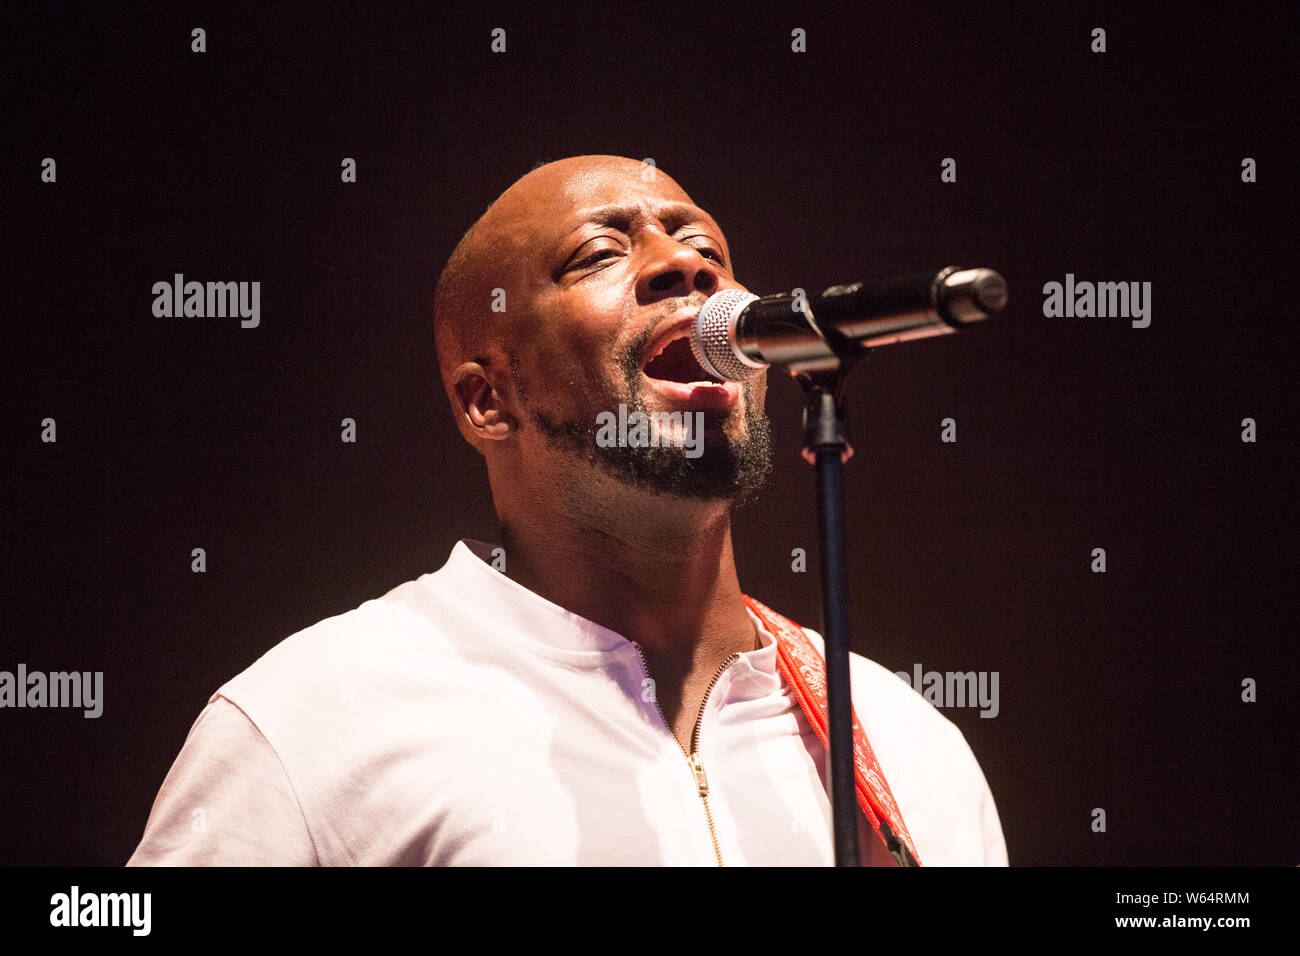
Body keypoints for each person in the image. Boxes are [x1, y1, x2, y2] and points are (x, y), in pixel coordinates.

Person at [127, 155, 1008, 866]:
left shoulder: (904, 739)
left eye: (706, 247)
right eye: (598, 253)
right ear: (488, 401)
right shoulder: (314, 719)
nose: (685, 264)